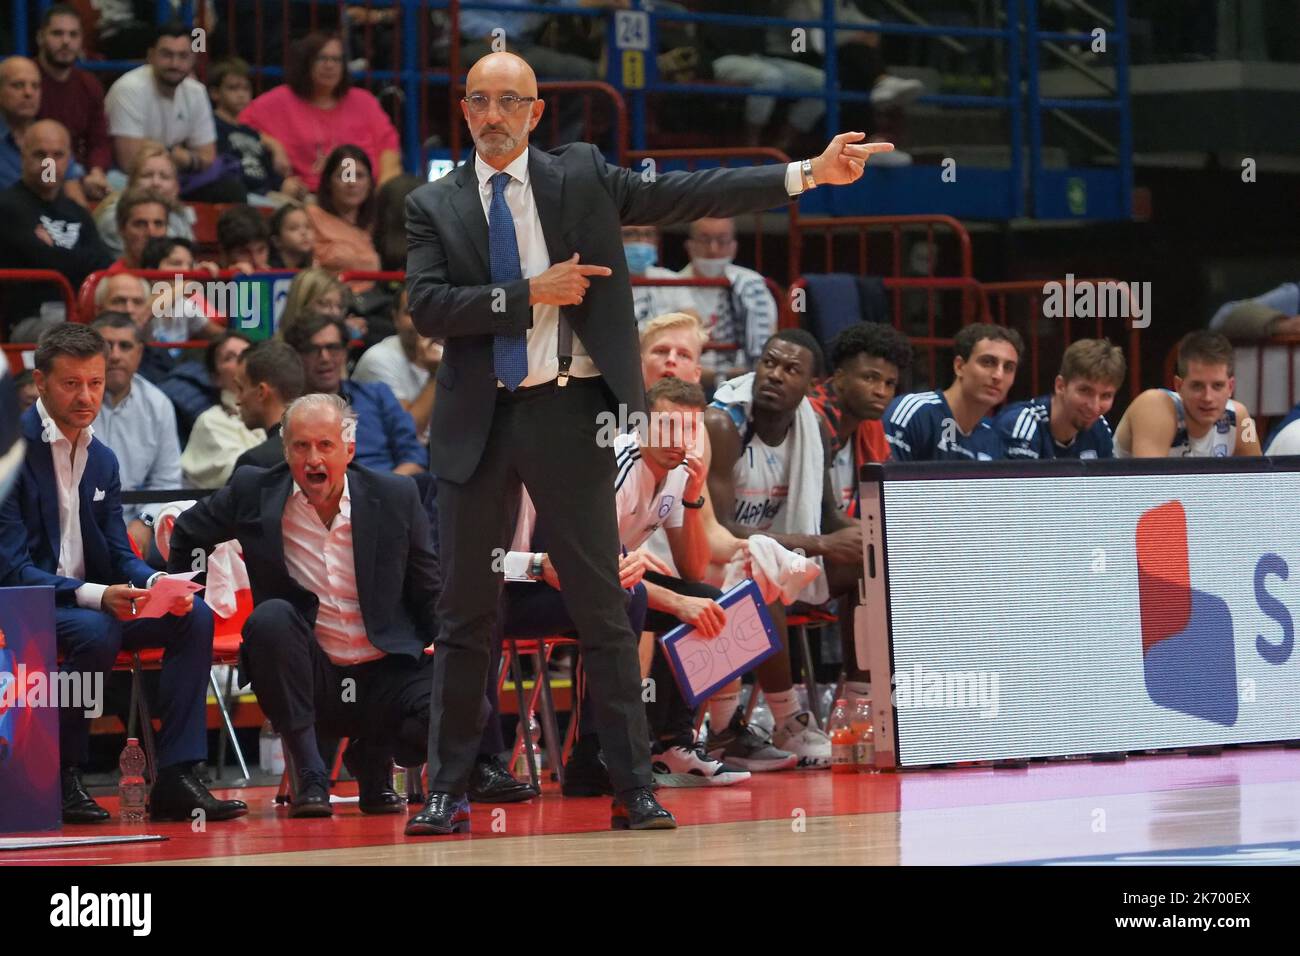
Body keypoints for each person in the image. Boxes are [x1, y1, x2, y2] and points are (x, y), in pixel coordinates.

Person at [404, 49, 888, 835]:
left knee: (604, 609)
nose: (491, 115)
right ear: (463, 111)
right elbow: (428, 306)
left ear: (534, 112)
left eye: (508, 101)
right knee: (464, 614)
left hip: (568, 413)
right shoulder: (435, 204)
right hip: (479, 421)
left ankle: (632, 785)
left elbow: (688, 192)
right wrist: (530, 294)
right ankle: (447, 790)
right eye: (478, 101)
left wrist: (807, 173)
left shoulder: (582, 174)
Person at [0, 322, 246, 825]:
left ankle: (177, 776)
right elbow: (13, 569)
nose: (86, 395)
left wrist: (154, 583)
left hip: (94, 602)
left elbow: (119, 551)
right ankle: (64, 774)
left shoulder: (102, 460)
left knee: (192, 616)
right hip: (22, 603)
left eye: (94, 382)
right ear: (40, 381)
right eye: (71, 384)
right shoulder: (12, 455)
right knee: (97, 628)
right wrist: (98, 594)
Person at [167, 393, 440, 817]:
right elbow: (186, 532)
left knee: (461, 708)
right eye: (301, 446)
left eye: (325, 445)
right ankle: (310, 772)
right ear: (285, 449)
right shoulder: (255, 491)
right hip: (312, 679)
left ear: (348, 449)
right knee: (270, 618)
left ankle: (374, 756)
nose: (313, 458)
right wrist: (189, 598)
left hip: (387, 670)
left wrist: (450, 651)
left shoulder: (396, 495)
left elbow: (429, 588)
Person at [503, 377, 748, 792]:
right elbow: (597, 568)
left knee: (709, 601)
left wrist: (692, 498)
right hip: (549, 580)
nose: (679, 439)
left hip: (606, 579)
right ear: (641, 424)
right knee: (639, 601)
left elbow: (692, 568)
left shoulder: (677, 472)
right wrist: (674, 603)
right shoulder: (618, 465)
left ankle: (675, 744)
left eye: (689, 428)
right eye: (667, 425)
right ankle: (592, 750)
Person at [704, 329, 870, 769]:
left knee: (875, 566)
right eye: (769, 363)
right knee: (763, 566)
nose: (775, 375)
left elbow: (829, 516)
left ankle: (858, 710)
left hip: (780, 552)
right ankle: (788, 720)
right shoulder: (722, 424)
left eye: (790, 369)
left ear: (811, 386)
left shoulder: (812, 426)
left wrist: (882, 538)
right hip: (712, 561)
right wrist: (819, 544)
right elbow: (718, 529)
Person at [239, 32, 401, 193]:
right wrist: (273, 145)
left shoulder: (364, 101)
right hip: (304, 196)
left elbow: (388, 148)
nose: (329, 65)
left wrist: (384, 189)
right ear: (306, 63)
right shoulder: (278, 100)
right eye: (322, 59)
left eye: (336, 60)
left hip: (363, 195)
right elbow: (236, 127)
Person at [105, 23, 245, 203]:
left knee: (231, 189)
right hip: (133, 178)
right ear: (151, 56)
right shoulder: (129, 88)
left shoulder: (196, 91)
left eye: (183, 56)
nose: (175, 64)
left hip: (176, 177)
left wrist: (180, 159)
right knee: (115, 183)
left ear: (193, 59)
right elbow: (130, 161)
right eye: (166, 55)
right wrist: (177, 154)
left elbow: (208, 156)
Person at [0, 119, 112, 338]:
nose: (49, 164)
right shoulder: (7, 206)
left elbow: (103, 264)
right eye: (40, 155)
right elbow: (46, 260)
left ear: (69, 160)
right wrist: (71, 258)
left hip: (82, 315)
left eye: (57, 155)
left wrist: (55, 251)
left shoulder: (77, 212)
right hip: (31, 319)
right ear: (23, 156)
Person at [282, 312, 425, 475]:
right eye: (312, 350)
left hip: (387, 488)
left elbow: (414, 456)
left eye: (333, 347)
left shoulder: (377, 395)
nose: (325, 358)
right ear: (297, 356)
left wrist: (387, 490)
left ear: (345, 352)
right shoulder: (289, 411)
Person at [90, 313, 183, 558]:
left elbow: (167, 483)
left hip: (135, 521)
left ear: (139, 354)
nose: (116, 355)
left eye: (125, 346)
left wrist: (146, 521)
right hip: (78, 520)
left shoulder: (159, 404)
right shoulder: (73, 400)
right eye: (107, 346)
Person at [663, 216, 780, 381]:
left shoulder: (753, 286)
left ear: (734, 247)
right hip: (681, 381)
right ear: (689, 246)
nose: (713, 249)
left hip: (744, 380)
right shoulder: (669, 286)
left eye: (722, 241)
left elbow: (768, 348)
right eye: (705, 240)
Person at [884, 323, 1023, 461]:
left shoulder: (992, 439)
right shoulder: (914, 412)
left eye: (1009, 368)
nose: (998, 376)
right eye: (987, 362)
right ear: (959, 366)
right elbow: (883, 480)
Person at [1114, 330, 1262, 458]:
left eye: (1217, 386)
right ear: (1179, 386)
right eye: (1197, 386)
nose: (1207, 397)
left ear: (1230, 387)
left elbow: (1259, 483)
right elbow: (1150, 487)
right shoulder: (1154, 405)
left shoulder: (1239, 417)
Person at [997, 338, 1126, 460]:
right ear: (1060, 386)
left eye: (1106, 396)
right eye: (1085, 391)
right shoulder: (1024, 424)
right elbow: (1021, 484)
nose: (1094, 406)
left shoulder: (1099, 427)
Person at [34, 5, 112, 202]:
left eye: (73, 34)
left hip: (81, 173)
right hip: (38, 170)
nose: (66, 41)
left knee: (131, 191)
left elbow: (99, 141)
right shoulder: (26, 80)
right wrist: (72, 179)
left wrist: (96, 172)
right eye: (57, 34)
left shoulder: (89, 84)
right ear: (40, 38)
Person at [207, 57, 307, 201]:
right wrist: (269, 192)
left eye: (246, 88)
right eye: (233, 88)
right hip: (242, 196)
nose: (241, 94)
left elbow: (268, 169)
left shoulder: (251, 133)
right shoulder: (212, 127)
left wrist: (286, 185)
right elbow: (225, 171)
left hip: (267, 194)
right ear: (215, 93)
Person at [352, 289, 440, 443]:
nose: (420, 320)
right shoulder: (378, 359)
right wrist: (435, 376)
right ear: (395, 318)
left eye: (428, 311)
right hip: (389, 457)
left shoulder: (452, 352)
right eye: (410, 312)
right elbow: (409, 432)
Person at [1, 56, 87, 206]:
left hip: (47, 221)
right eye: (18, 85)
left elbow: (74, 201)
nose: (28, 93)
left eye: (35, 86)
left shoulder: (51, 139)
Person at [181, 334, 264, 487]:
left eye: (247, 354)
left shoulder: (278, 412)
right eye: (230, 357)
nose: (243, 361)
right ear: (215, 378)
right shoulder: (210, 421)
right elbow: (243, 475)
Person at [94, 143, 195, 258]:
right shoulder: (114, 218)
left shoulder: (180, 215)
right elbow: (146, 265)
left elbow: (180, 269)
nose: (156, 183)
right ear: (131, 183)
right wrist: (180, 273)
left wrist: (196, 272)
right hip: (125, 275)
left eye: (164, 176)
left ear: (176, 186)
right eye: (147, 175)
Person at [306, 144, 381, 277]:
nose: (352, 183)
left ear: (370, 183)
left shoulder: (378, 223)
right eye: (343, 176)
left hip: (375, 295)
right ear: (328, 182)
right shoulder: (310, 217)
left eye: (359, 176)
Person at [231, 339, 305, 472]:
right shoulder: (332, 451)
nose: (237, 400)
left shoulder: (255, 464)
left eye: (240, 388)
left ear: (261, 392)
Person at [107, 187, 172, 271]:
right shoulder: (116, 281)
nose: (151, 233)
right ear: (121, 229)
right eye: (140, 224)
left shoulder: (179, 274)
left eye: (158, 224)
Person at [216, 204, 272, 272]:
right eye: (244, 252)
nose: (256, 261)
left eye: (261, 250)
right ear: (224, 254)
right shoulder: (210, 280)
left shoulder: (280, 279)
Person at [269, 202, 315, 270]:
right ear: (277, 241)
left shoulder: (313, 265)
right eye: (294, 228)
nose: (304, 232)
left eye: (308, 226)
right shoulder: (268, 270)